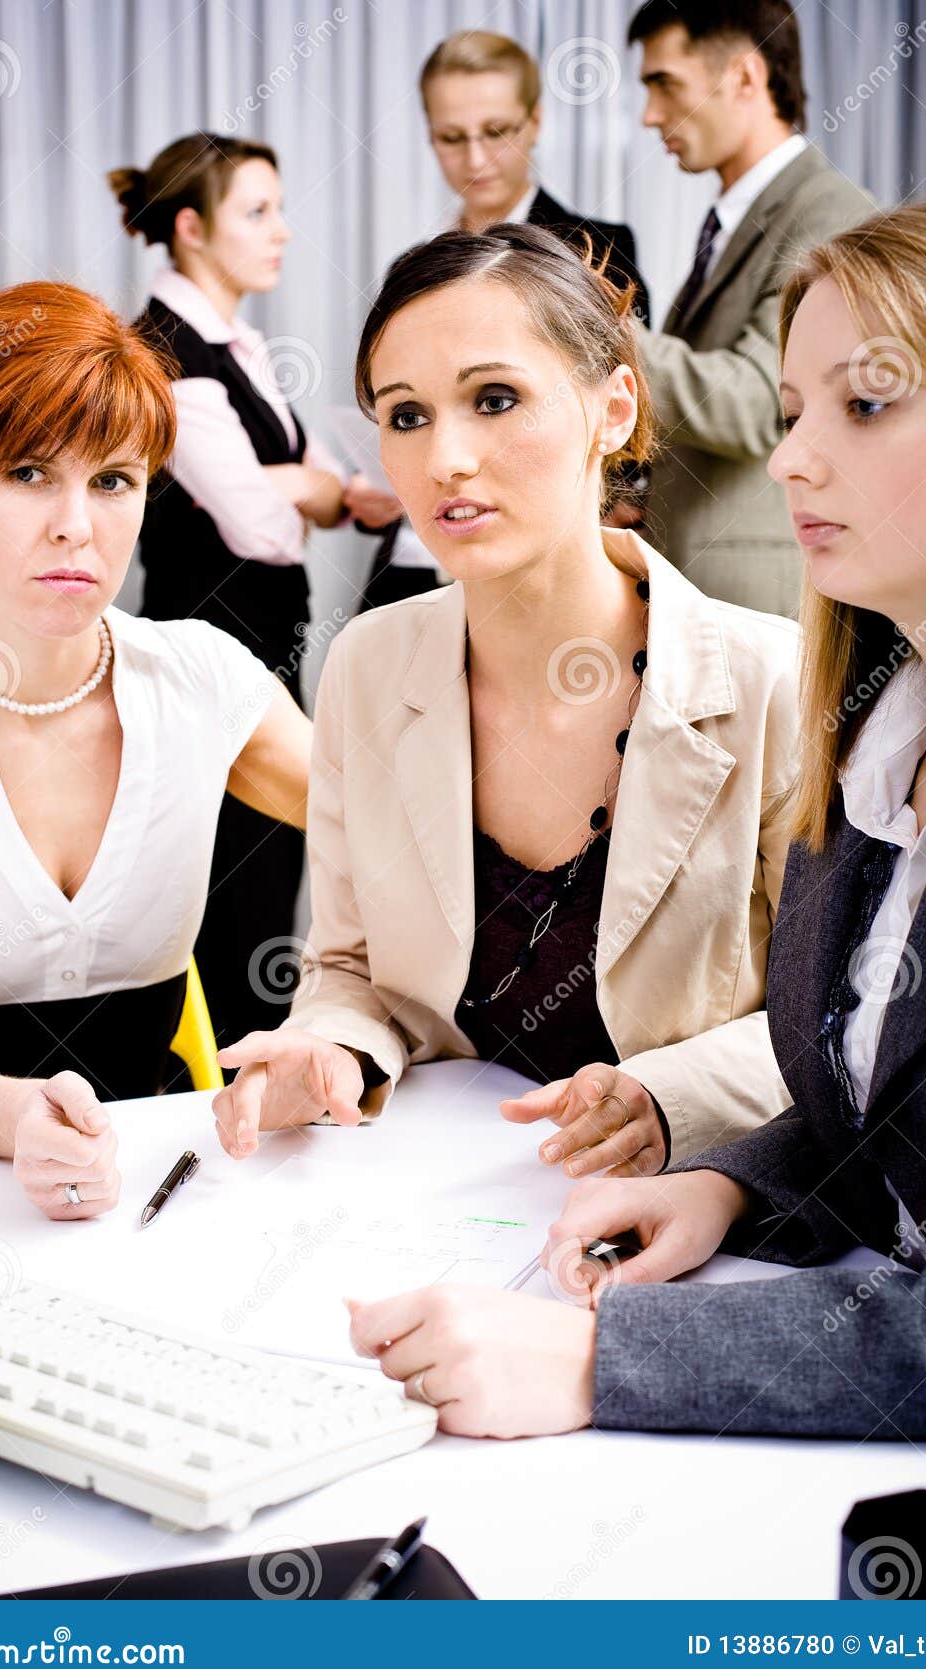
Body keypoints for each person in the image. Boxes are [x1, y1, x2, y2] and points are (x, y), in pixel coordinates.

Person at [344, 199, 926, 1443]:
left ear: (610, 410)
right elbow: (873, 1122)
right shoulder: (877, 739)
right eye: (790, 413)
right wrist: (733, 1185)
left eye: (863, 404)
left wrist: (605, 1358)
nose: (787, 462)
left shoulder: (785, 688)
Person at [212, 221, 800, 1182]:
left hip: (702, 1210)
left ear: (613, 410)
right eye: (406, 415)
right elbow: (348, 968)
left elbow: (836, 1025)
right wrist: (330, 1048)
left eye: (495, 399)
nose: (444, 459)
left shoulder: (773, 681)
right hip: (435, 1201)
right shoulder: (368, 664)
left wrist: (668, 1099)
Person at [0, 281, 310, 1221]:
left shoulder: (203, 677)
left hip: (163, 1177)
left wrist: (334, 1028)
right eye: (28, 473)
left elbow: (404, 845)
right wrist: (18, 1118)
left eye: (113, 481)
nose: (76, 526)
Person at [108, 134, 400, 1043]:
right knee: (239, 879)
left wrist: (302, 487)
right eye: (258, 212)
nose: (282, 230)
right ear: (191, 229)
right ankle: (228, 1078)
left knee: (270, 866)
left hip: (264, 638)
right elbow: (261, 527)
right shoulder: (167, 349)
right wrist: (302, 489)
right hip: (211, 639)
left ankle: (257, 1066)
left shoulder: (236, 342)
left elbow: (306, 482)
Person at [362, 29, 650, 613]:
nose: (475, 159)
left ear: (535, 121)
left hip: (543, 561)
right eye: (452, 138)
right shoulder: (409, 270)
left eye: (496, 132)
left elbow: (621, 407)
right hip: (417, 557)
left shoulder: (595, 249)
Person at [628, 0, 873, 617]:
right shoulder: (737, 217)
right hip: (698, 580)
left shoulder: (830, 213)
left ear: (744, 76)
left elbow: (751, 404)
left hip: (751, 599)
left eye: (665, 83)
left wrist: (603, 329)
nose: (650, 114)